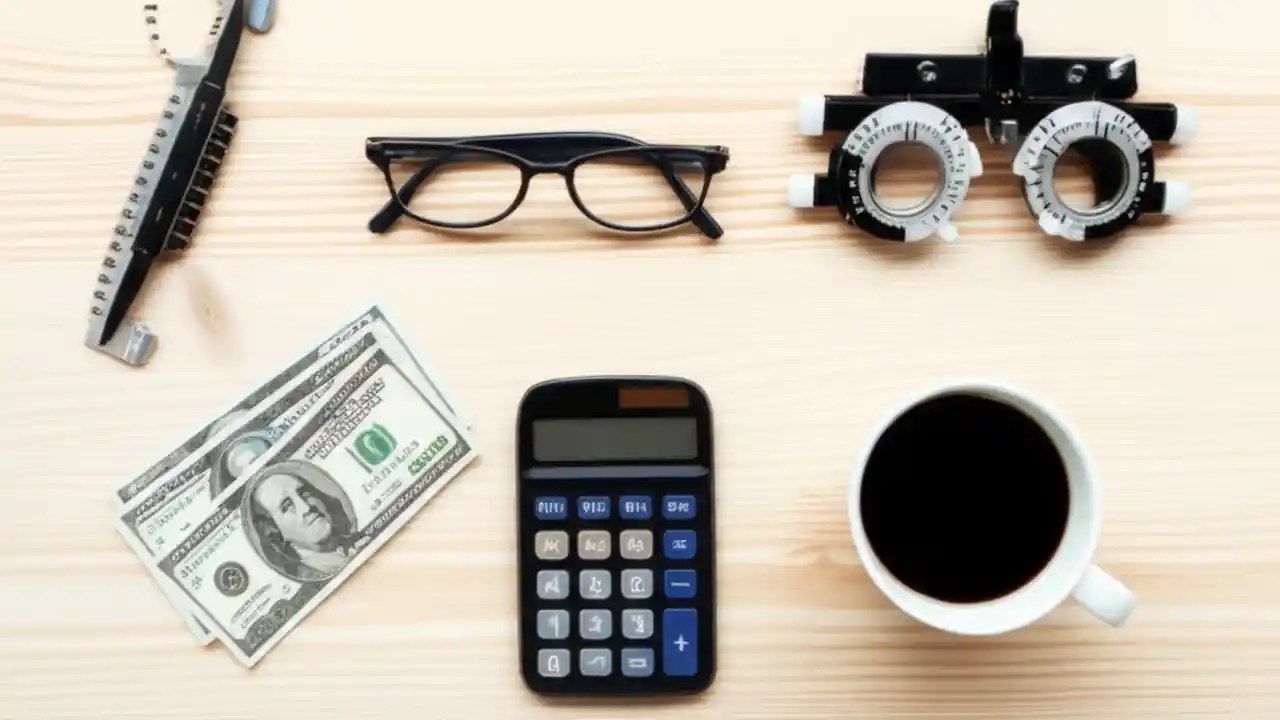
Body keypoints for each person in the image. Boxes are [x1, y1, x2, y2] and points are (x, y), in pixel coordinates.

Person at [248, 469, 363, 581]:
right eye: (287, 506)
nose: (306, 508)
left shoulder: (361, 533)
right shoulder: (308, 576)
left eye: (304, 494)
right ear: (273, 529)